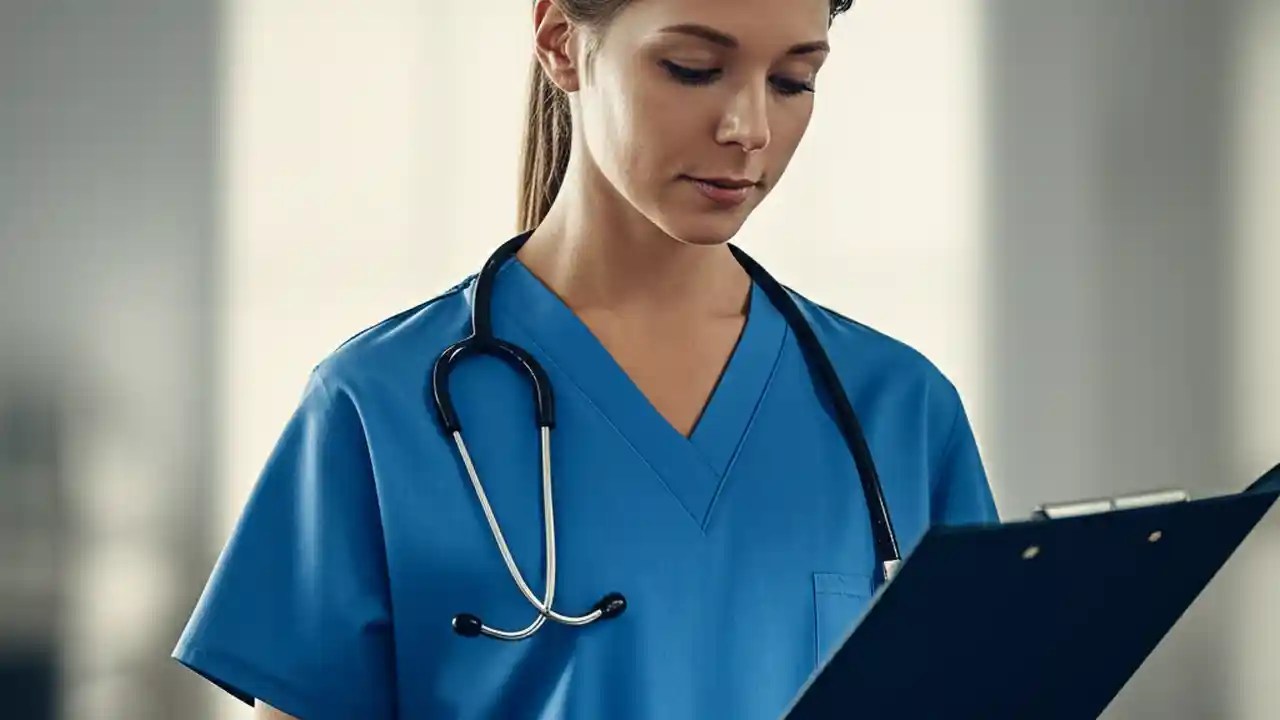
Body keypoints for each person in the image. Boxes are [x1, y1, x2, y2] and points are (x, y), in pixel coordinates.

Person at [172, 0, 999, 717]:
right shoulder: (377, 407)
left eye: (793, 81)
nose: (749, 127)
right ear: (562, 42)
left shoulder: (898, 408)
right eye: (693, 68)